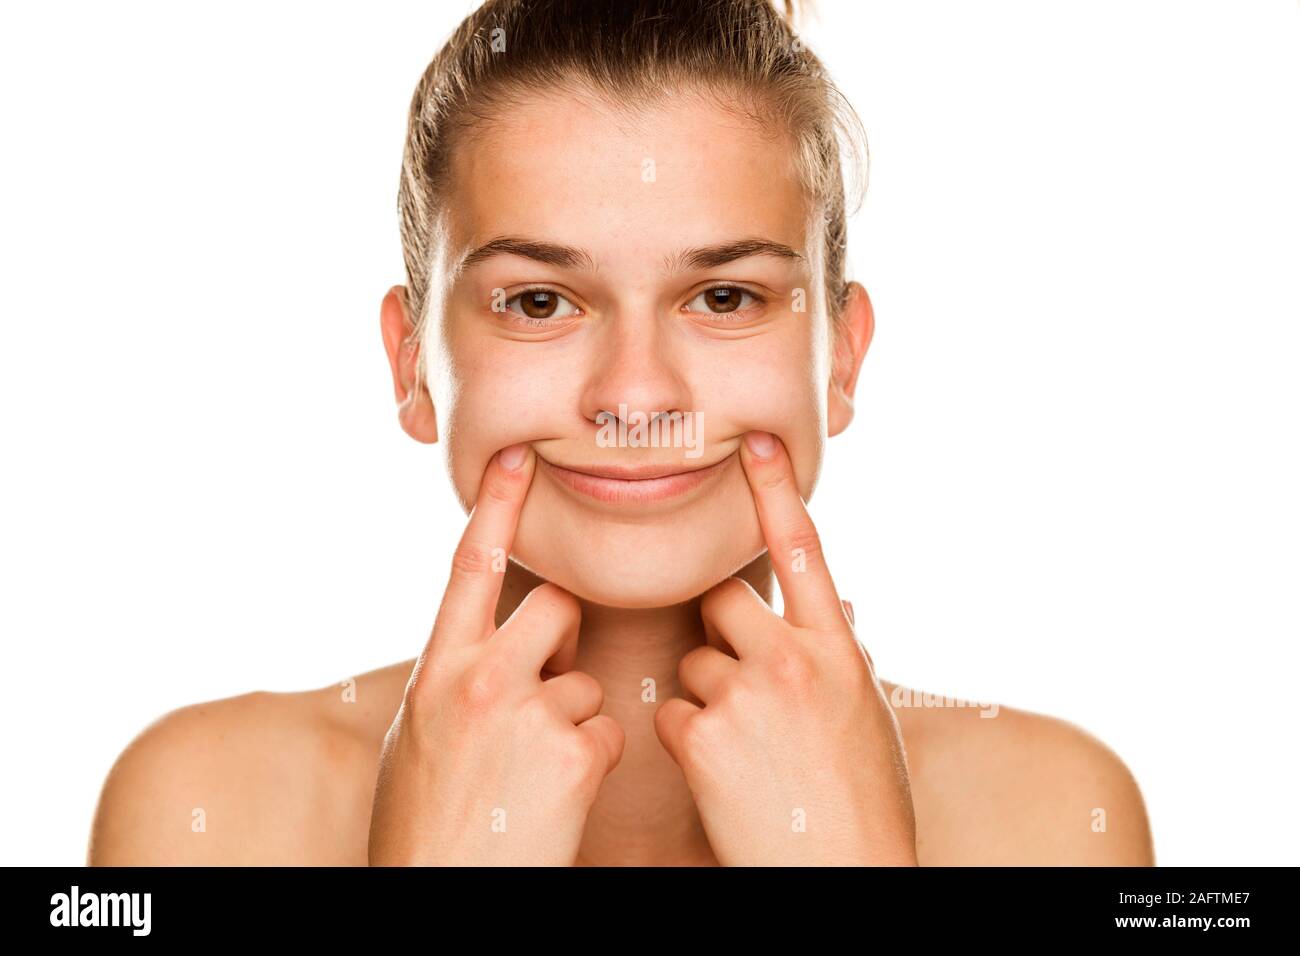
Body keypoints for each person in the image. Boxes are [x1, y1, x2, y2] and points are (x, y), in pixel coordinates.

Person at [88, 0, 1154, 866]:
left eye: (726, 297)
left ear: (842, 358)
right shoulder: (207, 806)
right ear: (412, 363)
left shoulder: (1051, 816)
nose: (635, 394)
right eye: (540, 301)